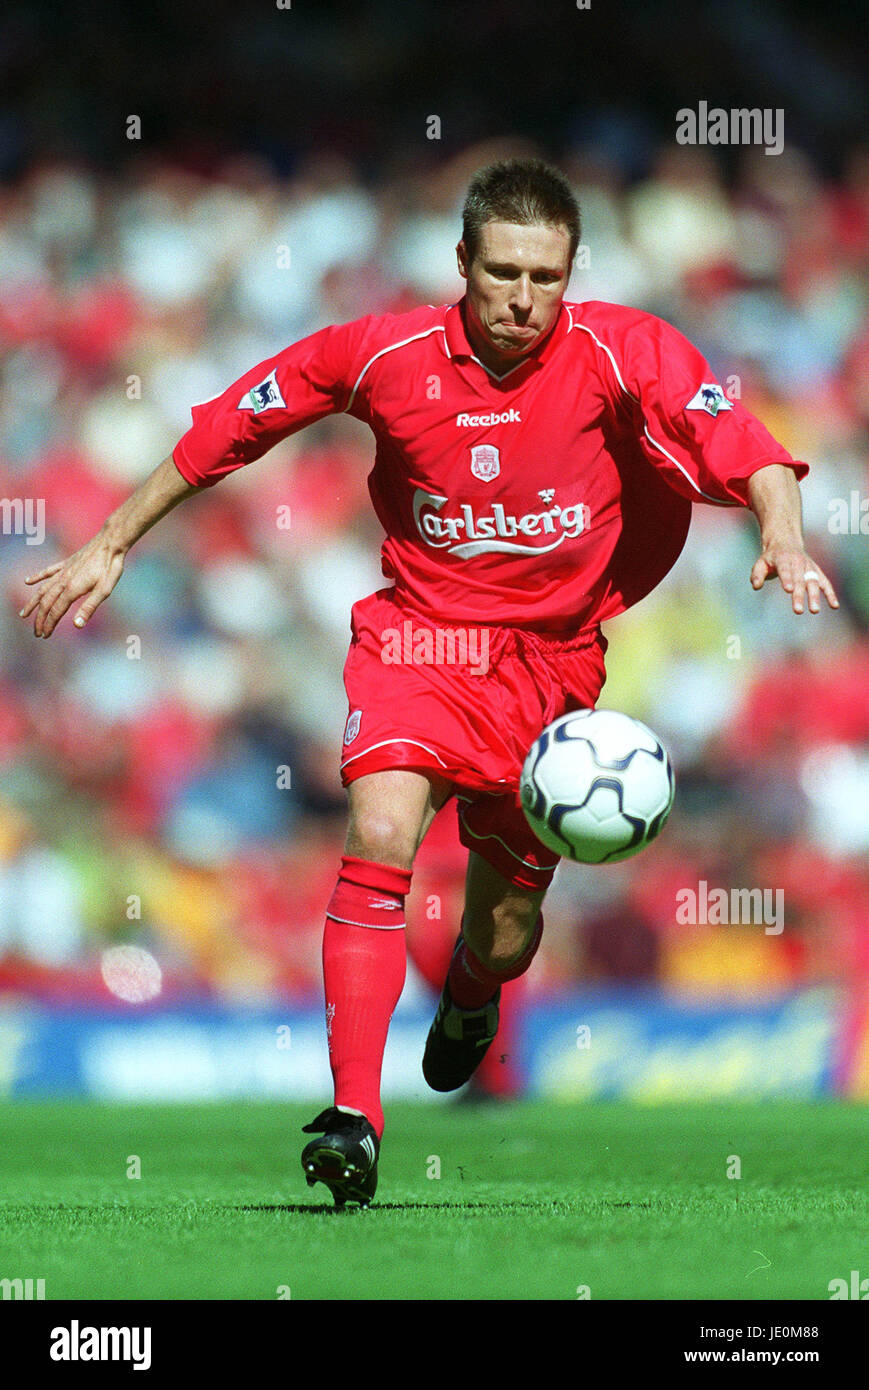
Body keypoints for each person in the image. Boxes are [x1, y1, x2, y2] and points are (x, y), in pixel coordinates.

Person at [19, 158, 839, 1207]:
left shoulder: (620, 349)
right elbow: (227, 426)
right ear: (460, 262)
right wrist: (109, 543)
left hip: (550, 667)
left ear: (569, 272)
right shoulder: (383, 353)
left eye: (545, 277)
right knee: (381, 830)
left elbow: (741, 441)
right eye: (501, 271)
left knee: (499, 936)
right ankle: (352, 1116)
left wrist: (782, 531)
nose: (521, 298)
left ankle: (468, 995)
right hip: (417, 643)